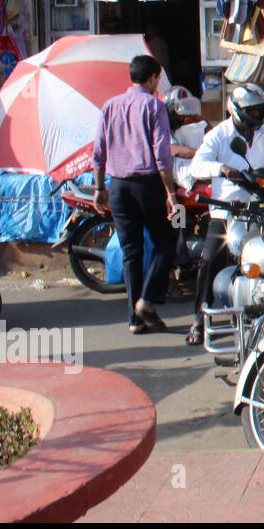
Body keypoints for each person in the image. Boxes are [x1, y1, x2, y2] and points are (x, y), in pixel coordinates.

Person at [91, 54, 180, 335]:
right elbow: (162, 156)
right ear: (153, 78)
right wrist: (171, 194)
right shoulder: (154, 106)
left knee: (132, 252)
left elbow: (98, 153)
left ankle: (134, 319)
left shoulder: (110, 105)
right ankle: (147, 301)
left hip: (117, 185)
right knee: (167, 239)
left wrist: (98, 188)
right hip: (147, 184)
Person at [185, 83, 264, 346]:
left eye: (260, 110)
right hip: (226, 212)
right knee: (210, 260)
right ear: (236, 110)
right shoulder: (218, 135)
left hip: (258, 211)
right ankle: (200, 318)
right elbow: (196, 166)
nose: (257, 115)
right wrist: (221, 168)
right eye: (252, 110)